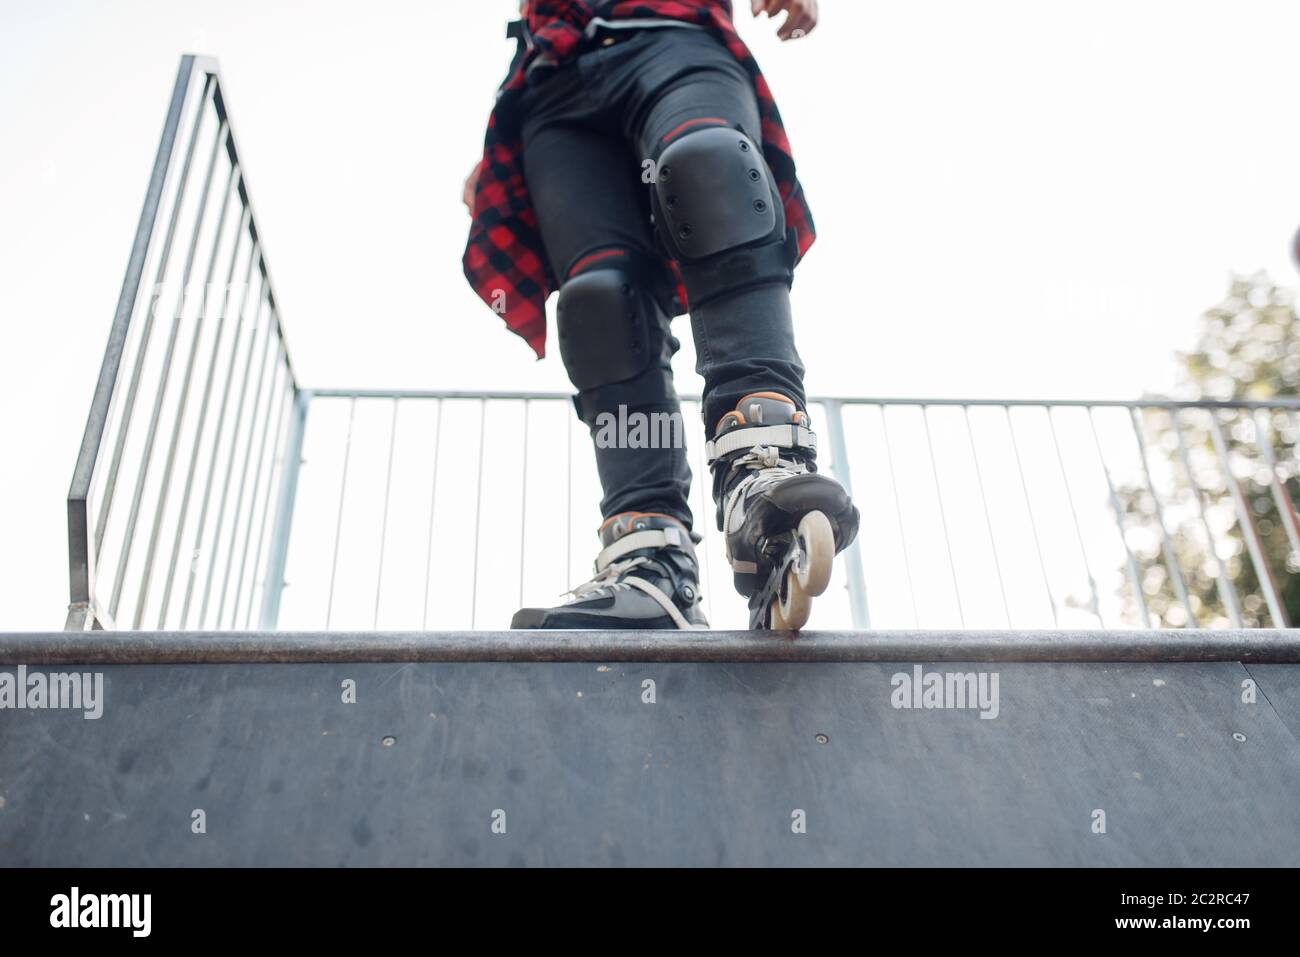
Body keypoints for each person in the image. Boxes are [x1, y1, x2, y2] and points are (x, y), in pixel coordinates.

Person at [462, 0, 858, 630]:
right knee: (599, 300)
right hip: (551, 84)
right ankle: (650, 556)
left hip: (672, 31)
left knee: (711, 170)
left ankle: (760, 464)